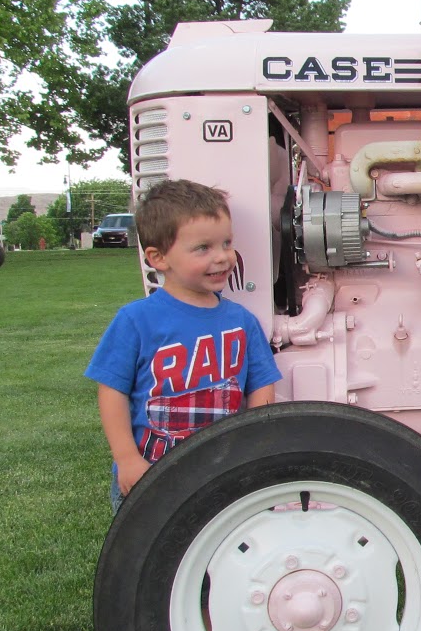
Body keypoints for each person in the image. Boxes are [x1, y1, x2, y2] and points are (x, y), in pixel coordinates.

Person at [86, 179, 281, 512]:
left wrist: (252, 447)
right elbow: (112, 392)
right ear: (159, 258)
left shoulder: (242, 321)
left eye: (226, 243)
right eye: (203, 248)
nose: (222, 257)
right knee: (151, 557)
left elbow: (261, 387)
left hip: (220, 473)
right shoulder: (136, 320)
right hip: (152, 474)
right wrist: (127, 459)